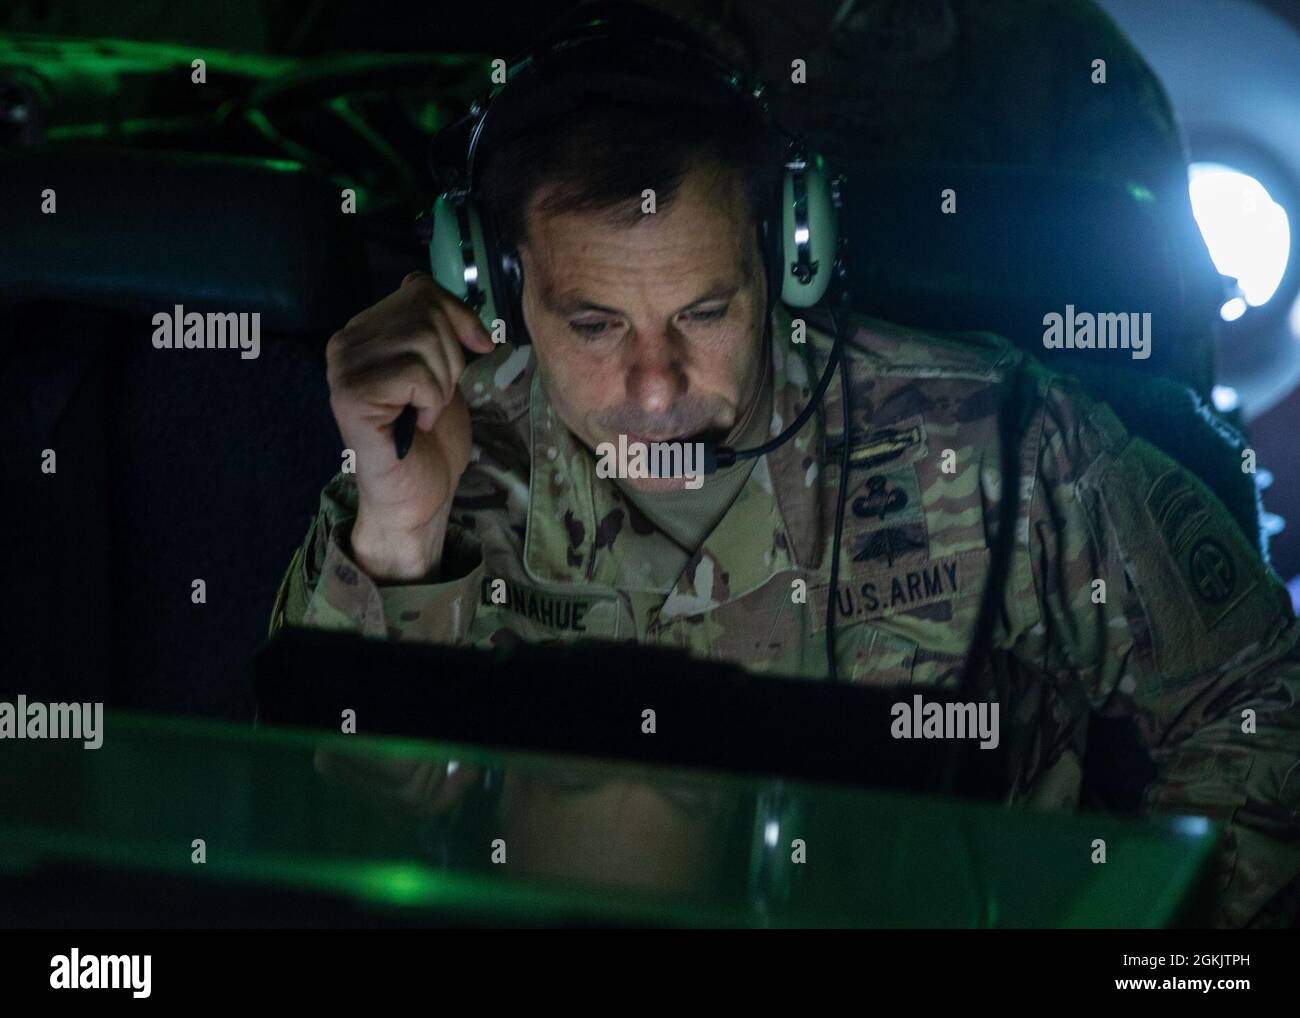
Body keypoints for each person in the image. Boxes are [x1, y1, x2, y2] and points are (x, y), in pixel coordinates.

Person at [271, 6, 1300, 928]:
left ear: (782, 261)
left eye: (704, 312)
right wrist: (398, 533)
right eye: (593, 325)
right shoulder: (439, 450)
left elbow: (1262, 703)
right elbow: (324, 819)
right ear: (494, 289)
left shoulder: (1001, 441)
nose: (657, 388)